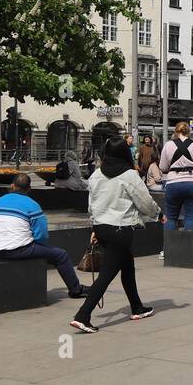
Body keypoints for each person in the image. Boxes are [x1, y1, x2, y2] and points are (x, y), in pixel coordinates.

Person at [71, 135, 164, 334]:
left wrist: (94, 228)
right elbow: (144, 201)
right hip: (120, 229)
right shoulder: (129, 175)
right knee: (107, 275)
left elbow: (92, 204)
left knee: (127, 266)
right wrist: (158, 214)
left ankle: (137, 307)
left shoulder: (96, 175)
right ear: (124, 152)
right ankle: (83, 315)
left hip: (102, 227)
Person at [0, 173, 88, 298]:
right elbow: (41, 235)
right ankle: (76, 289)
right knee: (60, 255)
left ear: (12, 186)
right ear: (29, 189)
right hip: (18, 250)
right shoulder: (32, 205)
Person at [158, 121, 193, 230]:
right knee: (190, 218)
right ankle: (188, 245)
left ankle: (169, 245)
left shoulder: (168, 145)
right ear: (189, 132)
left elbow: (162, 167)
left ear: (176, 132)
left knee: (171, 218)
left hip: (173, 184)